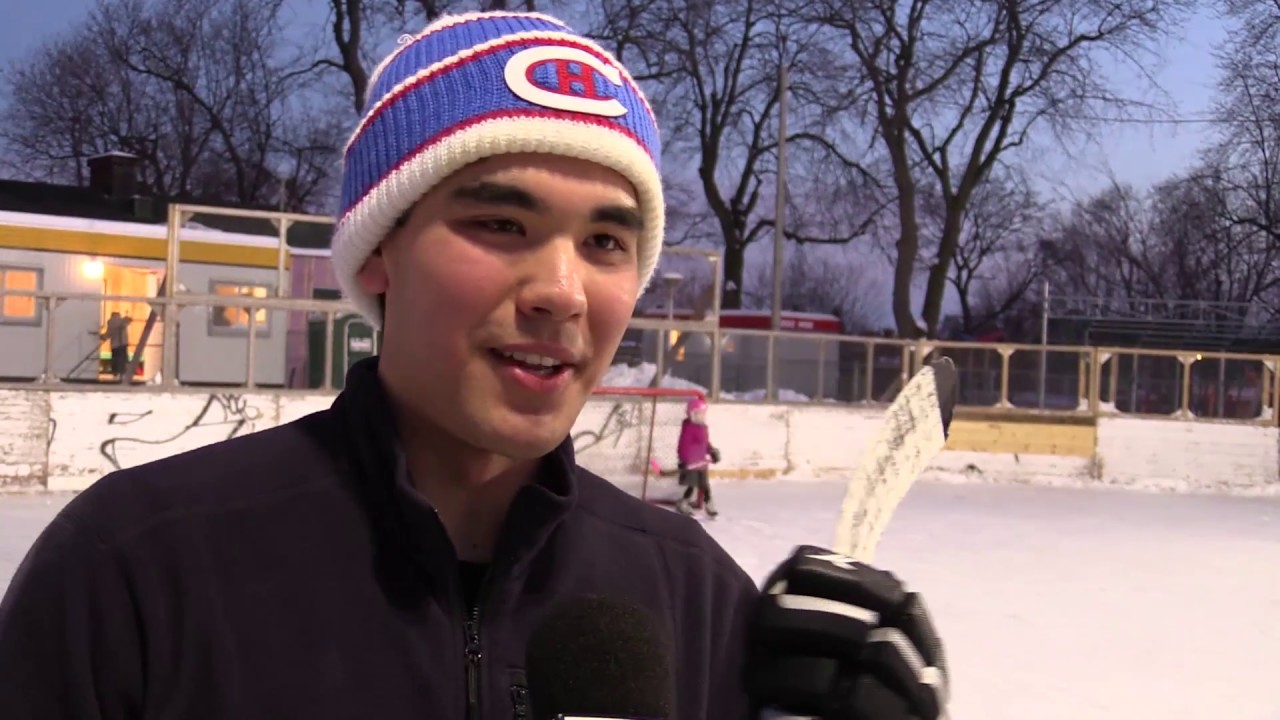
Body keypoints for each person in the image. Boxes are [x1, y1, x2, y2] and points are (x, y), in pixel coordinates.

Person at [0, 11, 948, 720]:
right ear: (379, 251)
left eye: (608, 244)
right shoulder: (135, 571)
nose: (563, 291)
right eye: (501, 224)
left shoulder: (691, 597)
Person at [676, 394, 720, 518]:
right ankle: (683, 502)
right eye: (698, 413)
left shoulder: (703, 427)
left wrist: (712, 451)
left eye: (702, 413)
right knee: (692, 485)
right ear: (691, 414)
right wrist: (683, 460)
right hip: (691, 463)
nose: (701, 416)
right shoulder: (689, 428)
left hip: (701, 463)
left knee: (705, 485)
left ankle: (709, 504)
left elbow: (705, 443)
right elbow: (683, 446)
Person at [101, 310, 132, 378]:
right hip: (123, 343)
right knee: (123, 358)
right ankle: (123, 373)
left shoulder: (111, 321)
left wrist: (103, 337)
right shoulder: (122, 321)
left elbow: (109, 333)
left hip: (115, 344)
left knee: (116, 359)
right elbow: (128, 321)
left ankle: (116, 373)